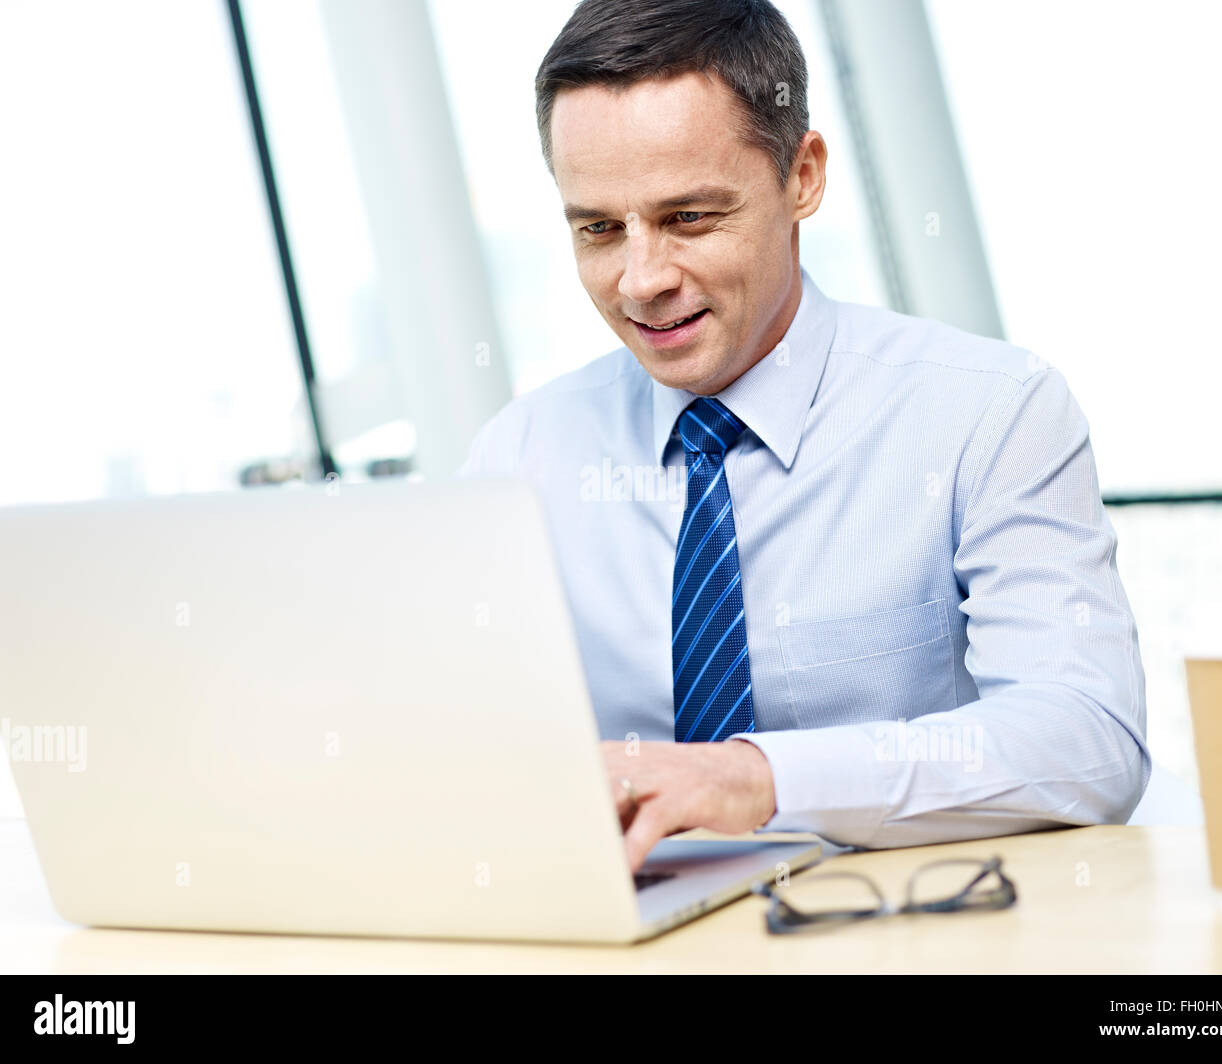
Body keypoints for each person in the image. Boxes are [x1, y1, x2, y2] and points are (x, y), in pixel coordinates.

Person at [459, 0, 1149, 872]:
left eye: (690, 219)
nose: (641, 280)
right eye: (599, 228)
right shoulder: (520, 456)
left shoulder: (989, 413)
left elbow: (1089, 739)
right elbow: (458, 755)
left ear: (804, 177)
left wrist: (760, 778)